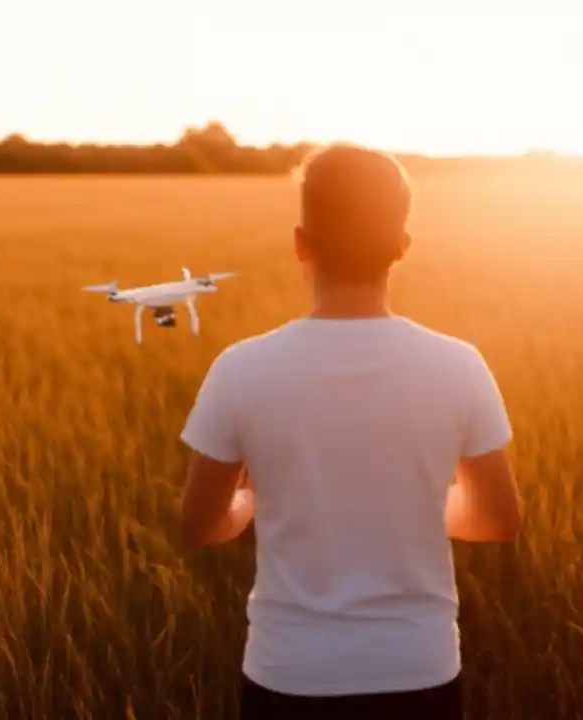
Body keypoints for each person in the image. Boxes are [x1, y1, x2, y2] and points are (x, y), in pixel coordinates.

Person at [179, 144, 521, 720]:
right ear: (402, 247)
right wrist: (417, 499)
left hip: (288, 674)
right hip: (418, 671)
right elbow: (498, 518)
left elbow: (200, 526)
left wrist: (250, 501)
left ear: (300, 244)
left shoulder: (240, 368)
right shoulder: (458, 365)